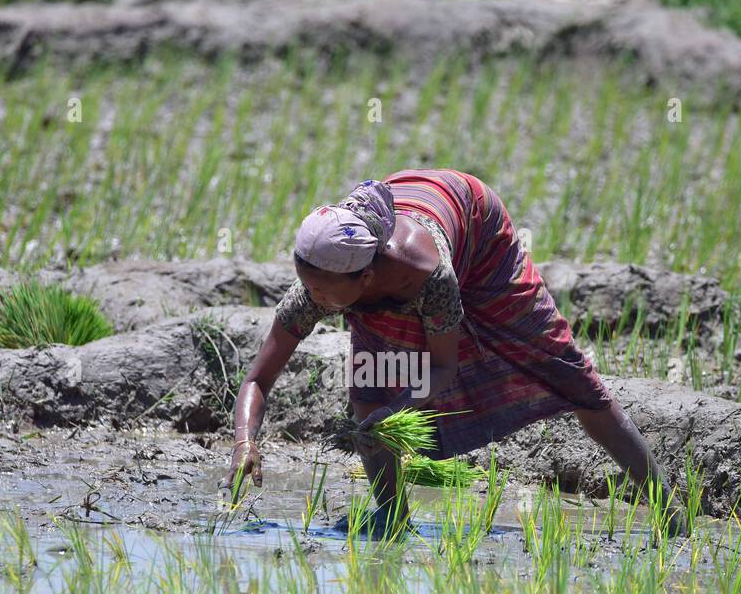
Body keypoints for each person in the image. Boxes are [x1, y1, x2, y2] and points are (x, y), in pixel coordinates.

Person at [222, 169, 688, 537]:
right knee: (369, 382)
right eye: (309, 286)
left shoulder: (426, 275)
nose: (315, 302)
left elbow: (442, 366)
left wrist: (398, 411)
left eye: (326, 294)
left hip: (475, 225)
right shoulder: (323, 279)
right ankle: (393, 517)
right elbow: (258, 379)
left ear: (366, 278)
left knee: (569, 374)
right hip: (402, 206)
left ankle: (671, 512)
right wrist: (246, 440)